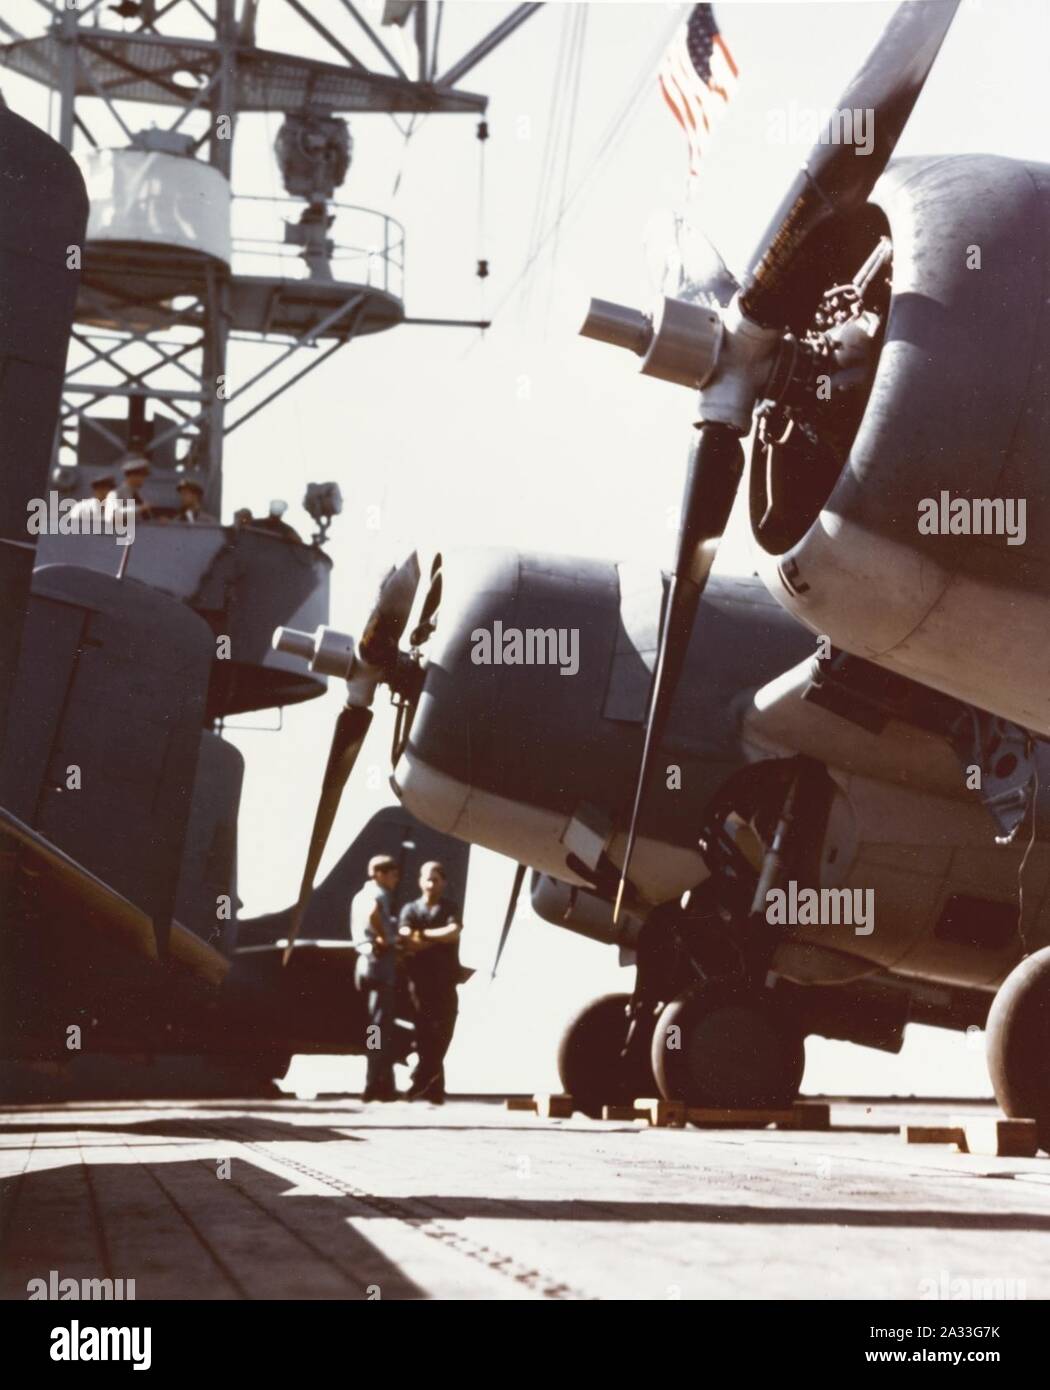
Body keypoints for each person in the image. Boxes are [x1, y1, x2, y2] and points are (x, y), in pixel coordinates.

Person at [398, 861, 464, 1104]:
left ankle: (423, 1081)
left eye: (435, 880)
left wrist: (423, 936)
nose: (430, 884)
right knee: (423, 1033)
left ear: (443, 882)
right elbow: (406, 936)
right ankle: (427, 1085)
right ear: (419, 881)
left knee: (442, 1033)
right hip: (419, 983)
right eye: (426, 879)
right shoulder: (411, 910)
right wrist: (438, 938)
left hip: (444, 982)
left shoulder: (450, 907)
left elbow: (453, 932)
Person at [349, 855, 402, 1102]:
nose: (396, 879)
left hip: (364, 963)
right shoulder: (377, 895)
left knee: (375, 1025)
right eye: (393, 874)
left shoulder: (360, 894)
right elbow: (373, 915)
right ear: (380, 873)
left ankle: (382, 1082)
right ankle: (374, 1085)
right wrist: (386, 937)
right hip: (379, 964)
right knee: (379, 1028)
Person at [112, 455, 154, 521]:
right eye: (142, 476)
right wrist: (139, 509)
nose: (143, 480)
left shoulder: (138, 494)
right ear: (132, 475)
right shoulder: (119, 492)